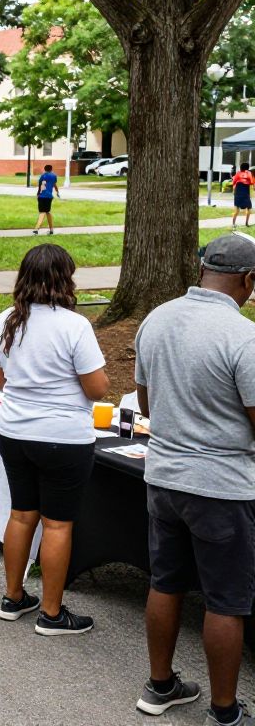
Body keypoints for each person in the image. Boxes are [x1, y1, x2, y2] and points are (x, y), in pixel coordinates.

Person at [133, 233, 255, 724]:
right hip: (221, 484)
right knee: (226, 600)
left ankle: (159, 686)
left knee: (166, 583)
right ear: (248, 280)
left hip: (163, 477)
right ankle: (225, 713)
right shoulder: (242, 335)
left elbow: (143, 403)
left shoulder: (156, 317)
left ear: (203, 269)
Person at [0, 244, 108, 636]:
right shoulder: (74, 326)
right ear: (65, 279)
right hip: (62, 437)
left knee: (21, 514)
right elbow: (97, 389)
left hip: (13, 431)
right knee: (57, 525)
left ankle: (13, 596)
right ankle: (52, 614)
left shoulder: (6, 319)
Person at [34, 164, 60, 235]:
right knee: (48, 212)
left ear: (44, 169)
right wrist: (57, 192)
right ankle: (51, 230)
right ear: (51, 169)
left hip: (42, 196)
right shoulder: (54, 176)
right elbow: (54, 185)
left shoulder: (42, 176)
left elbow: (40, 186)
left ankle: (36, 228)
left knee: (42, 212)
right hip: (49, 197)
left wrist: (38, 194)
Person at [231, 162, 253, 229]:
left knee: (236, 210)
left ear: (241, 167)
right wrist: (247, 181)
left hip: (238, 192)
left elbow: (233, 182)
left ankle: (233, 224)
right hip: (246, 193)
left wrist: (238, 182)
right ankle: (246, 223)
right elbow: (251, 182)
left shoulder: (238, 173)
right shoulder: (249, 173)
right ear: (247, 168)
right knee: (249, 208)